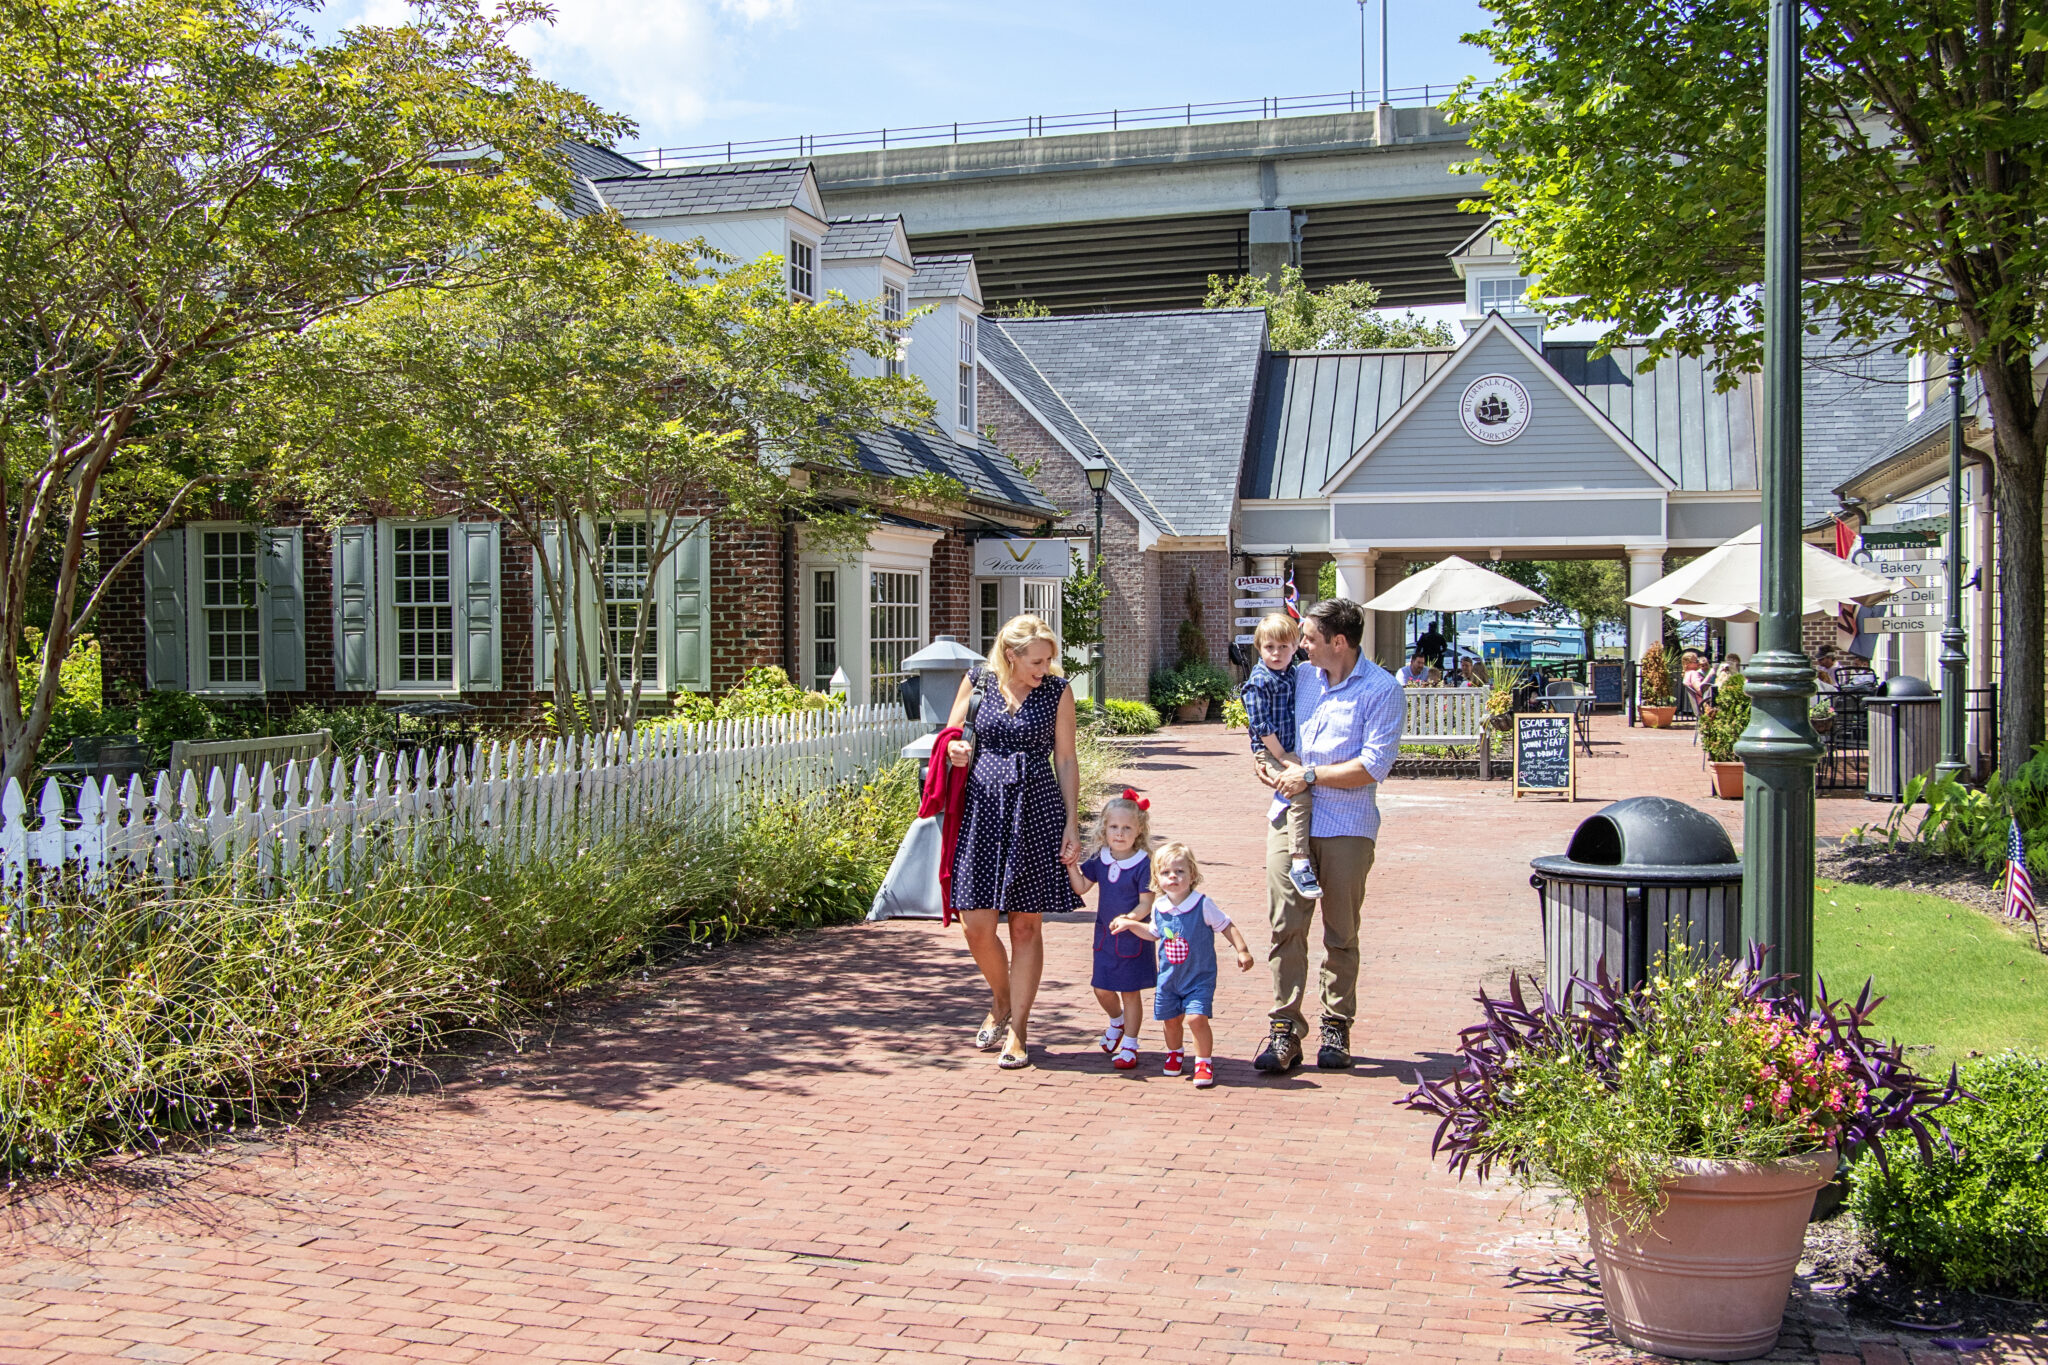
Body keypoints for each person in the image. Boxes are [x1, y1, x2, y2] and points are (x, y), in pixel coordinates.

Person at [1252, 598, 1404, 1074]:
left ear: (1339, 642)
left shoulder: (1381, 690)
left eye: (1310, 639)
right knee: (1285, 926)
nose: (1301, 646)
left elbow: (1373, 765)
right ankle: (1285, 1030)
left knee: (1340, 931)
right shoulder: (1300, 679)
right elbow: (1266, 724)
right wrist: (1266, 763)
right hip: (1289, 818)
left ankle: (1336, 1025)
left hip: (1346, 826)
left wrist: (1309, 776)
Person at [946, 614, 1082, 1070]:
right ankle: (1001, 1000)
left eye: (1049, 661)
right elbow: (951, 737)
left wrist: (1070, 823)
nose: (1045, 669)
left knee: (1026, 926)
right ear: (1012, 655)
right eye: (1038, 661)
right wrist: (955, 750)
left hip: (1035, 812)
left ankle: (1019, 1029)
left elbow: (1065, 759)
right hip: (981, 812)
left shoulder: (1057, 692)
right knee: (975, 925)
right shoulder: (978, 682)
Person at [1108, 842, 1255, 1089]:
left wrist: (1242, 950)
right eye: (1166, 873)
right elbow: (1155, 933)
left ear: (1192, 875)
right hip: (1169, 978)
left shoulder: (1202, 904)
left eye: (1180, 872)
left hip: (1199, 977)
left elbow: (1226, 925)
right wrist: (1131, 925)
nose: (1173, 877)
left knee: (1196, 1018)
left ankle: (1203, 1061)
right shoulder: (1160, 907)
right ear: (1157, 878)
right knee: (1171, 1020)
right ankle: (1174, 1052)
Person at [1067, 789, 1156, 1072]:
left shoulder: (1143, 863)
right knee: (1101, 988)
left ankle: (1130, 1043)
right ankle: (1116, 1021)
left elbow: (1146, 903)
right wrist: (1071, 866)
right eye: (1114, 827)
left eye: (1127, 828)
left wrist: (1130, 919)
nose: (1119, 833)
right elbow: (1081, 887)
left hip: (1132, 937)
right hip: (1105, 937)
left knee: (1130, 992)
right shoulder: (1100, 859)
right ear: (1104, 828)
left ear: (1139, 829)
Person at [1240, 613, 1321, 900]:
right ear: (1259, 648)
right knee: (1298, 793)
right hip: (1271, 751)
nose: (1276, 654)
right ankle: (1300, 861)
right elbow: (1262, 728)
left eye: (1283, 647)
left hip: (1287, 750)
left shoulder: (1293, 672)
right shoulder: (1259, 682)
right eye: (1269, 647)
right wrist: (1284, 756)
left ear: (1295, 646)